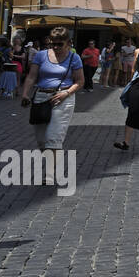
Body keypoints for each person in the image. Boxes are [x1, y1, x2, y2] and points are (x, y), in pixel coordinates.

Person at [19, 27, 84, 182]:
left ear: (68, 43)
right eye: (52, 44)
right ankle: (53, 162)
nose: (55, 47)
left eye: (59, 44)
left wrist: (66, 93)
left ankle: (49, 174)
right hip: (41, 96)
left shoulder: (74, 58)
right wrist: (25, 94)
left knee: (53, 137)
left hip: (63, 97)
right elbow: (31, 76)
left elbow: (80, 81)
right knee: (41, 139)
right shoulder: (41, 56)